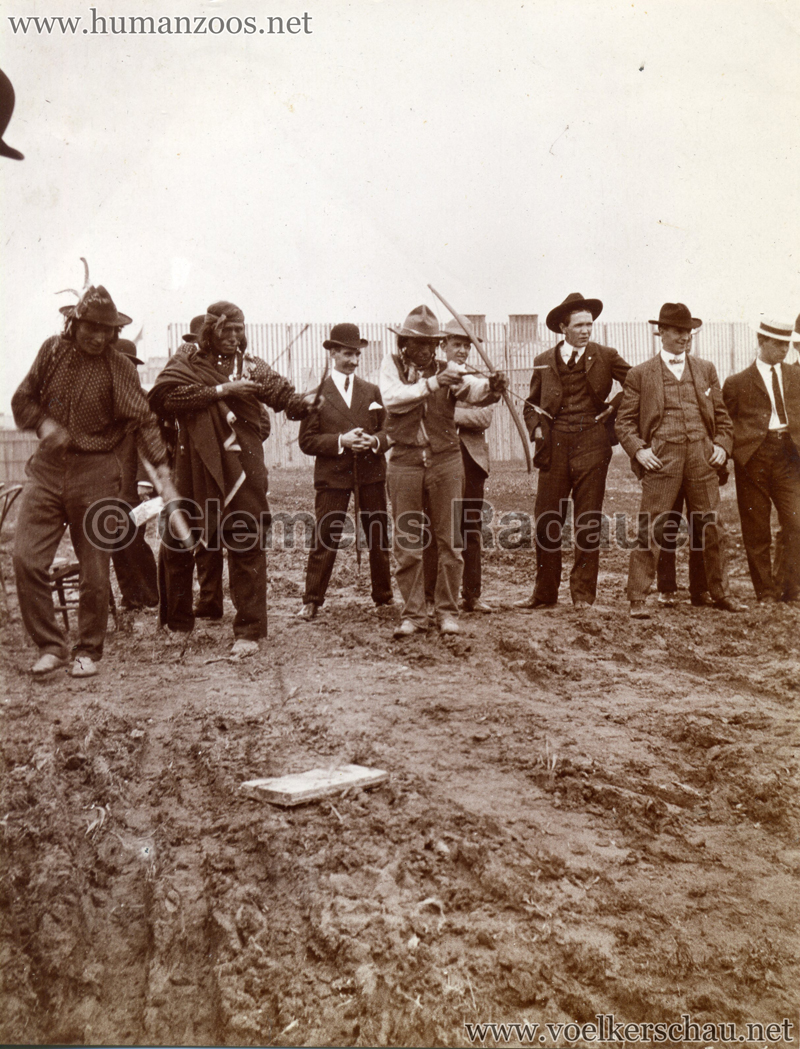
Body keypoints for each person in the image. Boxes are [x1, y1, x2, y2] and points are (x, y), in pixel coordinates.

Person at [11, 282, 176, 678]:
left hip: (96, 471)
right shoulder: (52, 351)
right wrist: (44, 423)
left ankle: (88, 651)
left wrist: (162, 469)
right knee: (25, 559)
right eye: (91, 328)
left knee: (94, 570)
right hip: (47, 470)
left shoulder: (119, 367)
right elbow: (22, 400)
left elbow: (143, 420)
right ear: (74, 324)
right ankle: (51, 646)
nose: (98, 337)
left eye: (107, 330)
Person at [148, 300, 317, 656]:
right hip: (194, 463)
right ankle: (178, 623)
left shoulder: (251, 366)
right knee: (180, 537)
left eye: (239, 330)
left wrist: (304, 403)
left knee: (245, 538)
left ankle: (249, 630)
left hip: (243, 464)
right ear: (210, 331)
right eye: (227, 330)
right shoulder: (187, 361)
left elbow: (281, 394)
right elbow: (164, 398)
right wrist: (223, 391)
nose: (234, 336)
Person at [379, 304, 505, 638]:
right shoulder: (391, 366)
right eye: (418, 343)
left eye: (431, 344)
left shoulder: (447, 369)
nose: (425, 350)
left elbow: (473, 391)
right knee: (408, 542)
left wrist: (492, 387)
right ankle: (414, 615)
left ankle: (447, 612)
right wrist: (435, 382)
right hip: (405, 461)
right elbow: (393, 399)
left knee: (450, 541)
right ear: (404, 343)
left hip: (446, 460)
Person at [616, 302, 746, 618]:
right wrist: (639, 450)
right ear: (661, 332)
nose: (684, 337)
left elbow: (722, 418)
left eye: (688, 332)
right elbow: (624, 422)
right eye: (677, 331)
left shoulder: (705, 369)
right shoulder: (640, 374)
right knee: (652, 527)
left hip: (702, 458)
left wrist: (722, 446)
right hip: (662, 460)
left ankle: (721, 593)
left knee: (712, 527)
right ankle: (637, 598)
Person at [518, 292, 630, 609]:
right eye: (579, 325)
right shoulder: (543, 360)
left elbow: (638, 381)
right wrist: (537, 428)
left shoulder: (606, 355)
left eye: (589, 324)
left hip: (593, 443)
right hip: (554, 445)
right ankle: (544, 593)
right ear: (563, 328)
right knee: (547, 519)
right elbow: (531, 405)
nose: (585, 330)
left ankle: (582, 595)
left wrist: (614, 406)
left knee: (588, 520)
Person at [296, 323, 393, 619]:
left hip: (370, 473)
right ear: (333, 353)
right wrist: (341, 441)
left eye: (357, 354)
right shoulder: (317, 394)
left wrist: (374, 441)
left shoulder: (371, 390)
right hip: (333, 476)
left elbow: (389, 431)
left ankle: (384, 597)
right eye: (348, 354)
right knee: (325, 536)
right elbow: (307, 441)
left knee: (378, 535)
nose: (353, 360)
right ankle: (312, 600)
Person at [722, 317, 800, 604]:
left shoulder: (796, 376)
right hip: (753, 458)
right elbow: (725, 422)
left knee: (796, 522)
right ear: (761, 342)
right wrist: (734, 454)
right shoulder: (737, 382)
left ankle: (791, 588)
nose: (783, 349)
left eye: (786, 344)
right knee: (756, 528)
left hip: (789, 456)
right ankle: (765, 592)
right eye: (777, 344)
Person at [423, 318, 498, 614]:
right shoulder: (432, 376)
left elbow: (484, 417)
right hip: (438, 458)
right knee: (435, 527)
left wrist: (444, 414)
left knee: (470, 526)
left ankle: (471, 594)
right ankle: (431, 596)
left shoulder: (478, 379)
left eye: (468, 345)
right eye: (457, 344)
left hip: (471, 459)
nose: (463, 351)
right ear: (443, 345)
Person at [109, 338, 159, 610]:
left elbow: (149, 442)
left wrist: (145, 481)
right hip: (109, 483)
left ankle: (150, 595)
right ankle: (131, 597)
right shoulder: (104, 398)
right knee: (115, 540)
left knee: (132, 540)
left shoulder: (140, 397)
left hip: (134, 484)